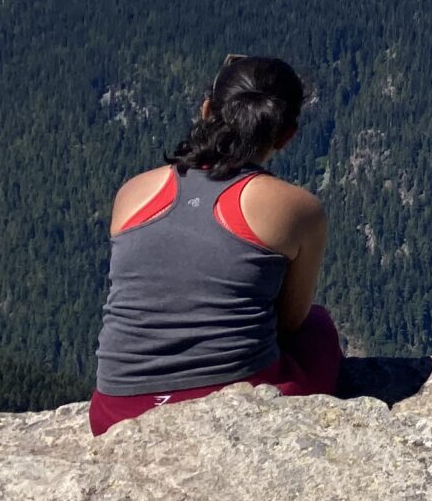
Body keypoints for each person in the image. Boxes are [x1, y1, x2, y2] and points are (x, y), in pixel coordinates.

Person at [90, 55, 343, 436]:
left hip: (115, 413)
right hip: (231, 412)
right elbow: (291, 321)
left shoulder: (133, 193)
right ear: (287, 135)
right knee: (319, 327)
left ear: (207, 110)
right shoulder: (299, 209)